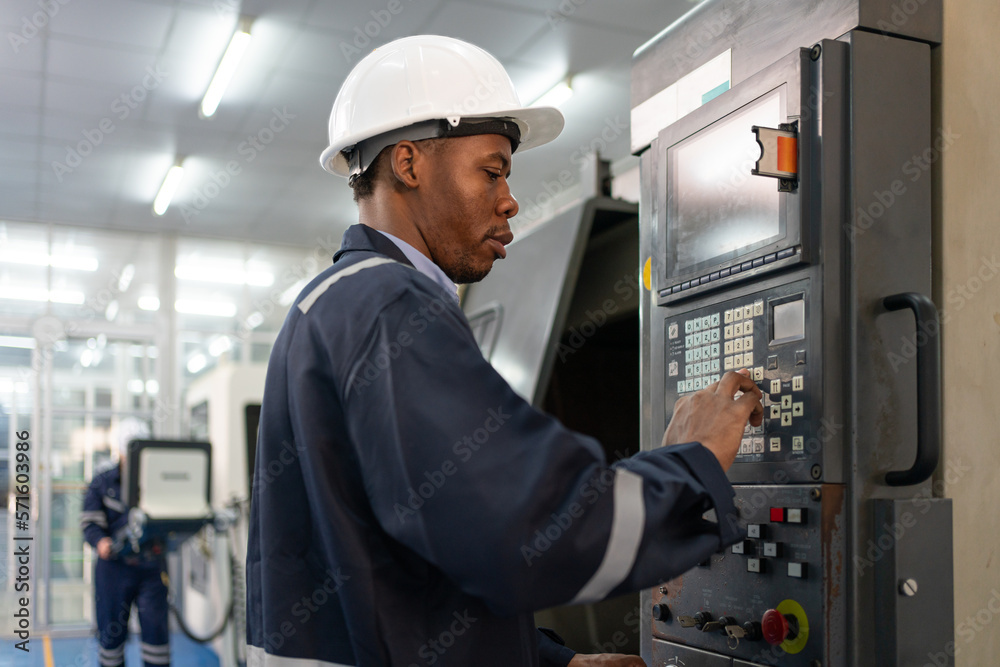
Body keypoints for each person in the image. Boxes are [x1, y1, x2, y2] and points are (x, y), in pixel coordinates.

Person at [245, 35, 763, 667]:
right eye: (491, 172)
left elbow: (419, 566)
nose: (510, 199)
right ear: (408, 164)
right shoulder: (388, 305)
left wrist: (552, 662)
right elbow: (525, 528)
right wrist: (693, 466)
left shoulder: (335, 301)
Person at [81, 418, 171, 667]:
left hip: (151, 568)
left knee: (156, 633)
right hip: (114, 569)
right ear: (119, 452)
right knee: (111, 634)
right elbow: (90, 523)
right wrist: (101, 542)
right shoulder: (102, 482)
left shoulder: (158, 482)